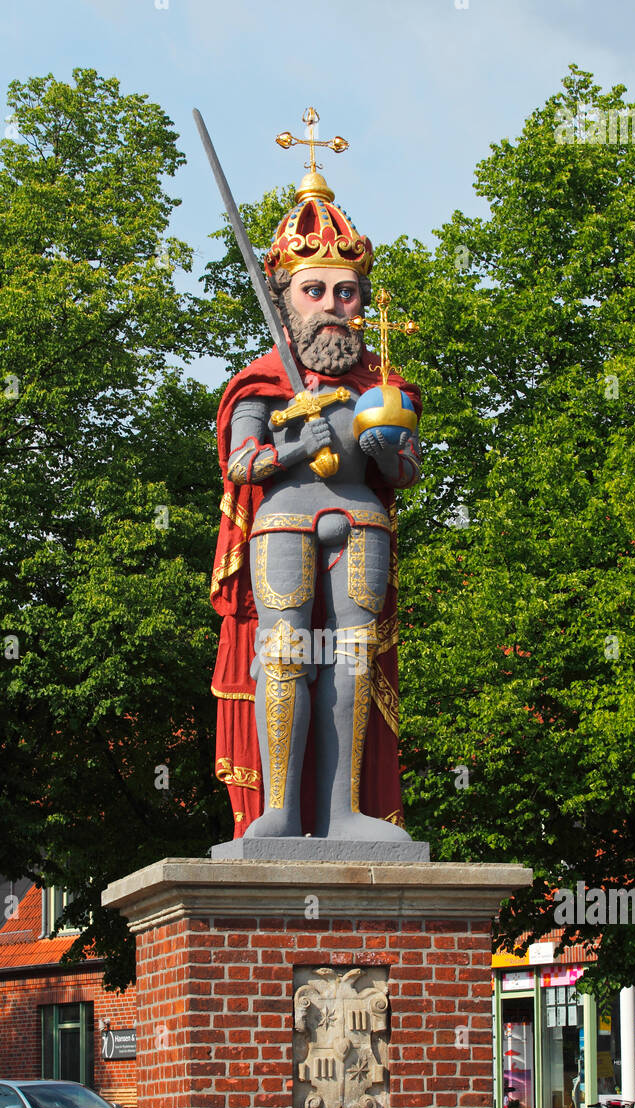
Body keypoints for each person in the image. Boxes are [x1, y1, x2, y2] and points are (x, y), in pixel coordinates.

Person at [210, 164, 422, 840]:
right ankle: (279, 812)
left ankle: (342, 812)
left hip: (362, 520)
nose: (333, 304)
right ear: (284, 302)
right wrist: (303, 444)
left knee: (352, 657)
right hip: (285, 523)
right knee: (284, 654)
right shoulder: (263, 385)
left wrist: (384, 437)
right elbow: (242, 465)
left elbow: (406, 472)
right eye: (315, 291)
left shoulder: (384, 385)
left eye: (346, 292)